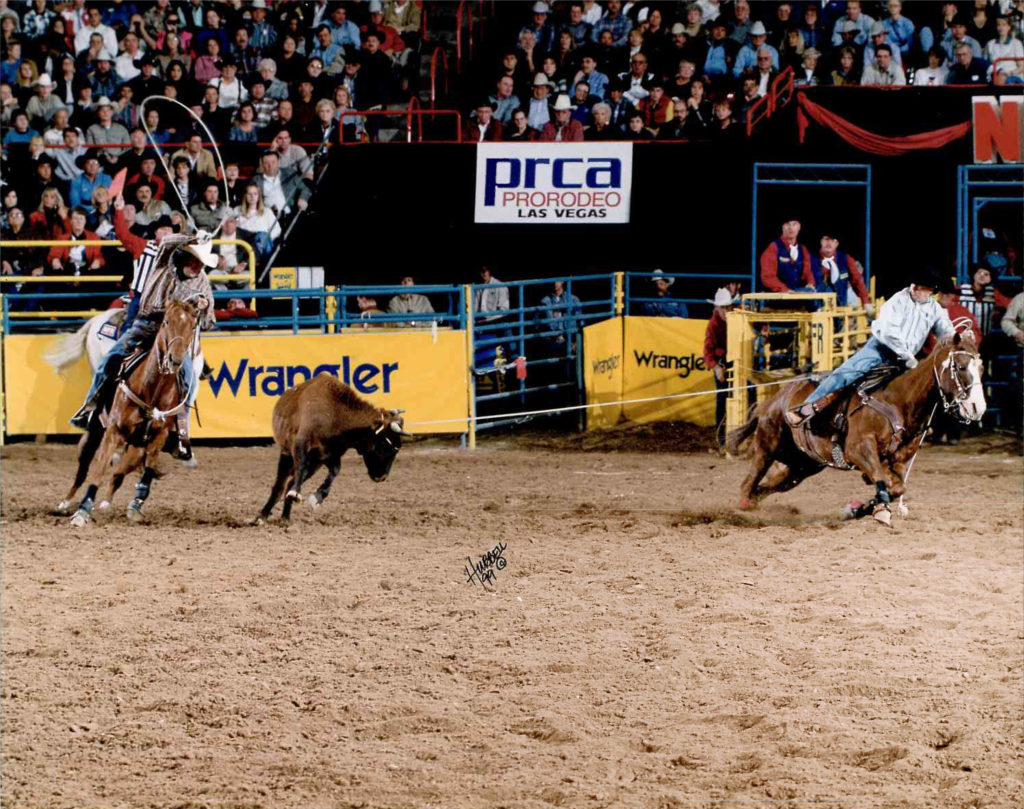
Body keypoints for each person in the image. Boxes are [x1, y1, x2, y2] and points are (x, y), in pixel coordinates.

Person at [70, 226, 218, 465]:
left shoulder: (202, 284)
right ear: (188, 256)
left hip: (174, 337)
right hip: (146, 325)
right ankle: (91, 405)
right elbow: (168, 241)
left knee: (189, 377)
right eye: (197, 261)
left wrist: (203, 309)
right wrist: (192, 237)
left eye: (203, 264)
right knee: (112, 357)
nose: (199, 267)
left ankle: (182, 433)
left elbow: (210, 322)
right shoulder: (166, 263)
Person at [786, 268, 955, 426]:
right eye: (915, 285)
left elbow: (945, 330)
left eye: (922, 287)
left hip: (907, 359)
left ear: (931, 291)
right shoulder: (897, 301)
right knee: (847, 373)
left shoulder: (935, 309)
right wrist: (907, 356)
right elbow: (888, 333)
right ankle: (807, 407)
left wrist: (957, 338)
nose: (916, 289)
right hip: (880, 349)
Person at [705, 290, 738, 448]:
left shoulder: (739, 316)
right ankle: (721, 440)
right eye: (723, 308)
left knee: (747, 395)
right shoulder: (713, 324)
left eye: (728, 307)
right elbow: (707, 352)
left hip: (738, 361)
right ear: (717, 308)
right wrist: (717, 368)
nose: (726, 311)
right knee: (722, 401)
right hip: (723, 363)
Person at [813, 233, 872, 311]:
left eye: (833, 240)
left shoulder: (845, 258)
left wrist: (865, 301)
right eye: (826, 239)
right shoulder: (811, 258)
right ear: (821, 241)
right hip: (818, 306)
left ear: (837, 244)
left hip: (841, 304)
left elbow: (857, 279)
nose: (829, 243)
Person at [760, 218, 817, 293]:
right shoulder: (773, 247)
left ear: (799, 227)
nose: (791, 228)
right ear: (782, 227)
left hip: (798, 297)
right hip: (777, 298)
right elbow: (767, 277)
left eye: (794, 224)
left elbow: (808, 272)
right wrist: (784, 289)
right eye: (787, 224)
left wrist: (810, 283)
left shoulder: (803, 249)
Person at [46, 206, 103, 275]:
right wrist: (55, 260)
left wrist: (97, 261)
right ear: (71, 221)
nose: (78, 221)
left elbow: (98, 256)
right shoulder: (62, 238)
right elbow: (54, 255)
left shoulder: (94, 237)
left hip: (87, 269)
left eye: (81, 219)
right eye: (75, 218)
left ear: (85, 221)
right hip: (67, 269)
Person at [538, 280, 582, 347]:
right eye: (553, 280)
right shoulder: (545, 301)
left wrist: (576, 341)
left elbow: (581, 321)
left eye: (557, 280)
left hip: (570, 336)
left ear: (562, 281)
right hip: (554, 338)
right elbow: (542, 324)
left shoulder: (574, 299)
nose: (555, 283)